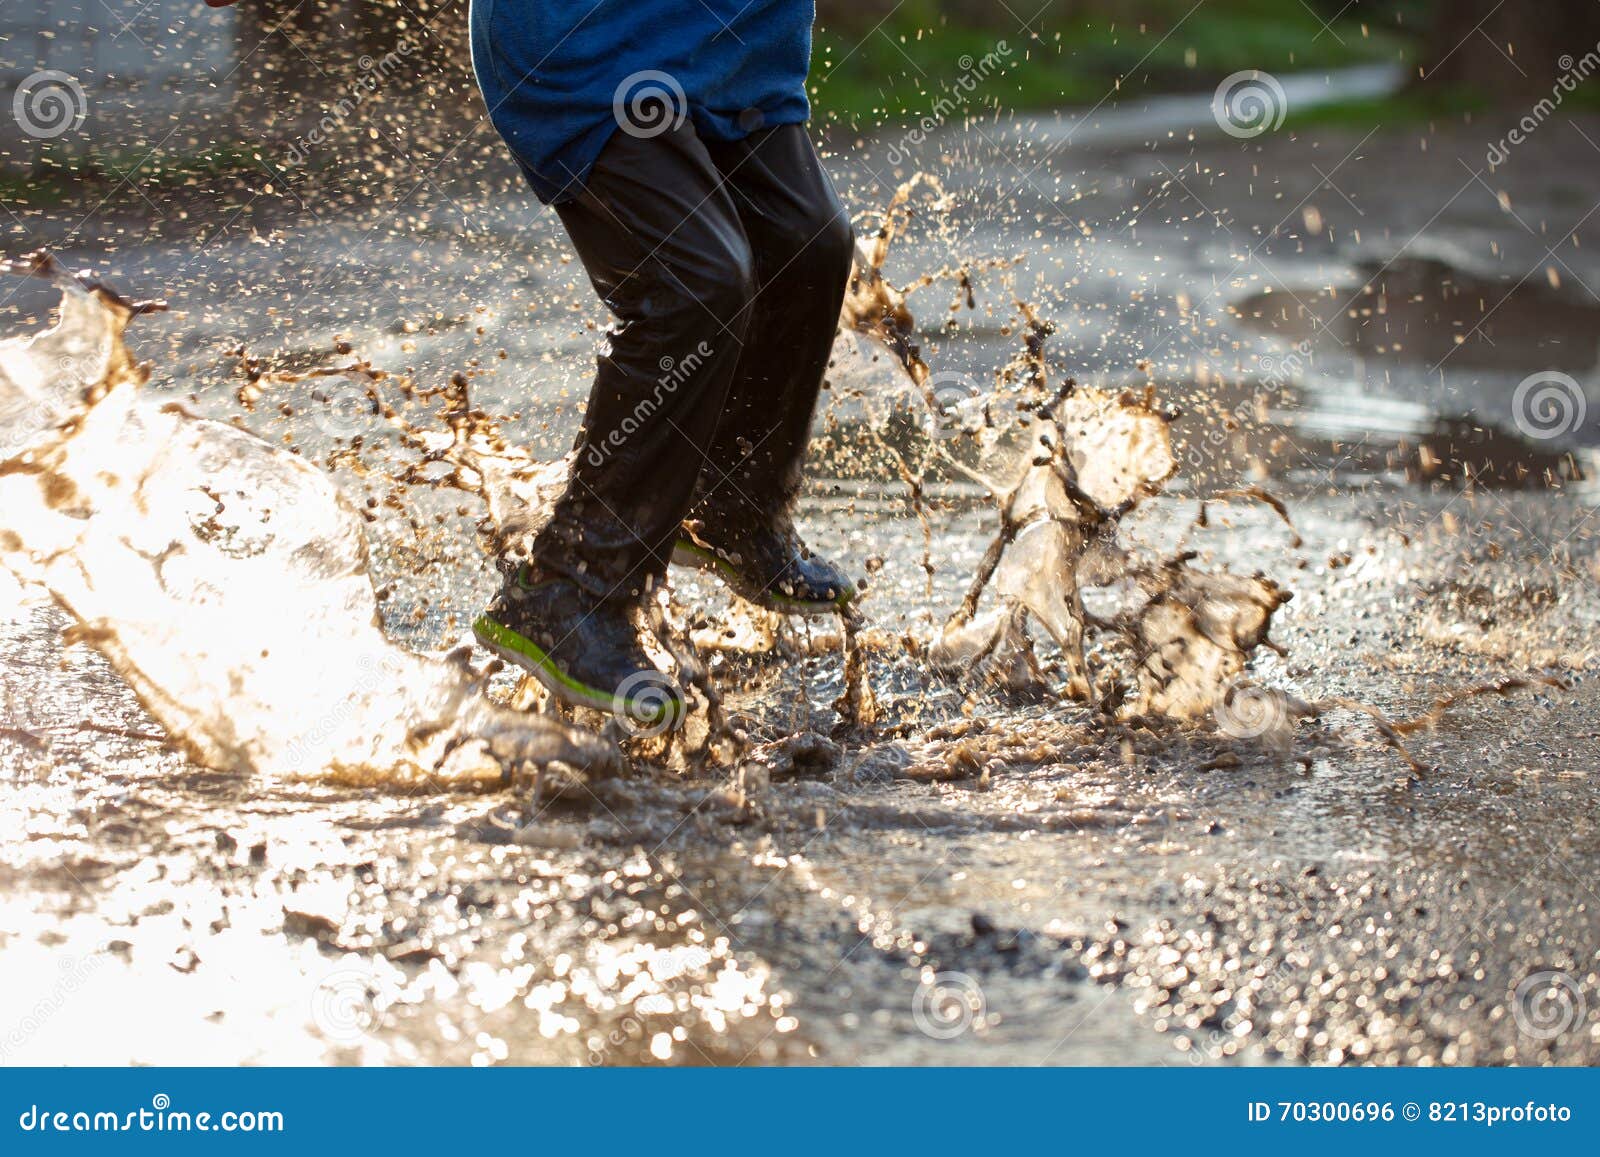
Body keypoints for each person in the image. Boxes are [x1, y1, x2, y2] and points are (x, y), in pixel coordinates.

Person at [206, 1, 857, 728]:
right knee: (697, 280)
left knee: (810, 246)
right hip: (586, 43)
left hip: (739, 46)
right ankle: (570, 589)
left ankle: (730, 508)